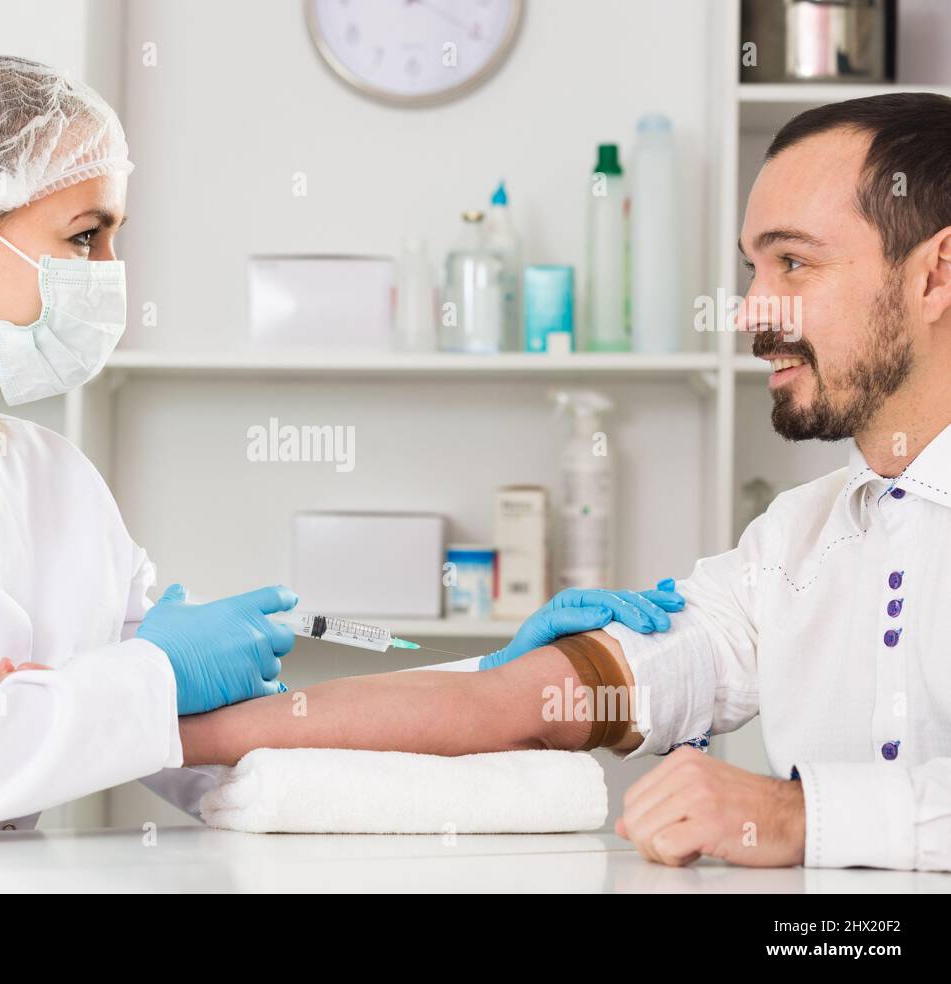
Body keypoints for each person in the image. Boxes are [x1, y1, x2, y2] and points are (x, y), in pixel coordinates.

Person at [0, 55, 679, 845]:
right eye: (86, 235)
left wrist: (493, 680)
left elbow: (197, 745)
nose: (113, 272)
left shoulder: (53, 479)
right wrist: (152, 680)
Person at [178, 93, 951, 874]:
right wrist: (143, 725)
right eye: (750, 268)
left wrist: (801, 815)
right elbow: (515, 705)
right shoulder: (793, 543)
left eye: (793, 262)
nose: (748, 309)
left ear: (935, 275)